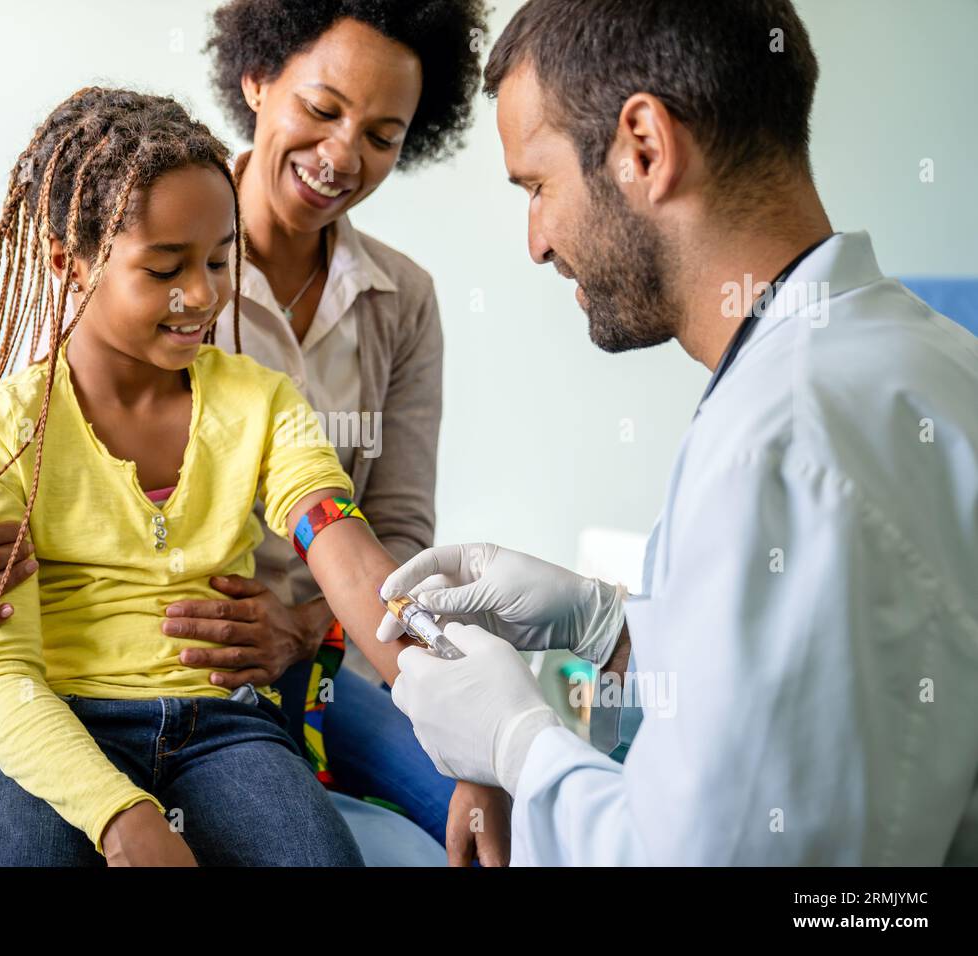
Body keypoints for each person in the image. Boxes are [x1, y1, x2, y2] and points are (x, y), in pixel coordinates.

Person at [379, 0, 978, 865]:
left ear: (644, 149)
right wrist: (611, 630)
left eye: (538, 188)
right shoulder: (926, 358)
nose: (537, 243)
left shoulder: (783, 443)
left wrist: (520, 746)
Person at [0, 0, 509, 863]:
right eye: (166, 268)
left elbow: (355, 537)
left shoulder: (291, 377)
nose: (201, 294)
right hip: (69, 700)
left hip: (261, 689)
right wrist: (125, 820)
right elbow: (1, 671)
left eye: (382, 134)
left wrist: (469, 722)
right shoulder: (19, 416)